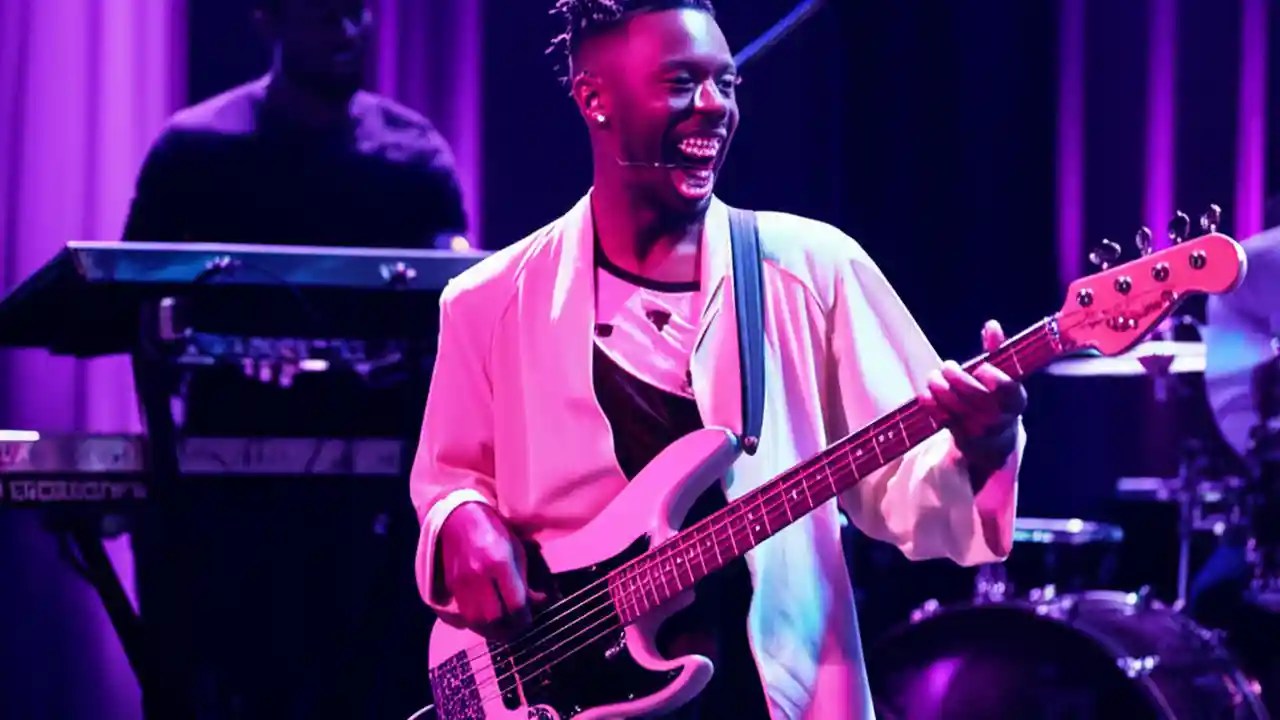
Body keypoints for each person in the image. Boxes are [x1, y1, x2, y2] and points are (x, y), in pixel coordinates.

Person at [409, 1, 1026, 718]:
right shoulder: (485, 301)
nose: (713, 109)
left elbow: (906, 494)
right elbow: (449, 477)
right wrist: (460, 519)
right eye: (680, 83)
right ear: (595, 99)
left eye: (726, 85)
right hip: (559, 692)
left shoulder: (812, 268)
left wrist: (983, 445)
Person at [120, 0, 467, 716]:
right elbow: (125, 296)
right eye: (322, 15)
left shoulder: (413, 153)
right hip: (219, 491)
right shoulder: (194, 148)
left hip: (376, 494)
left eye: (356, 14)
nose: (346, 32)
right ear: (267, 22)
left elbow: (454, 305)